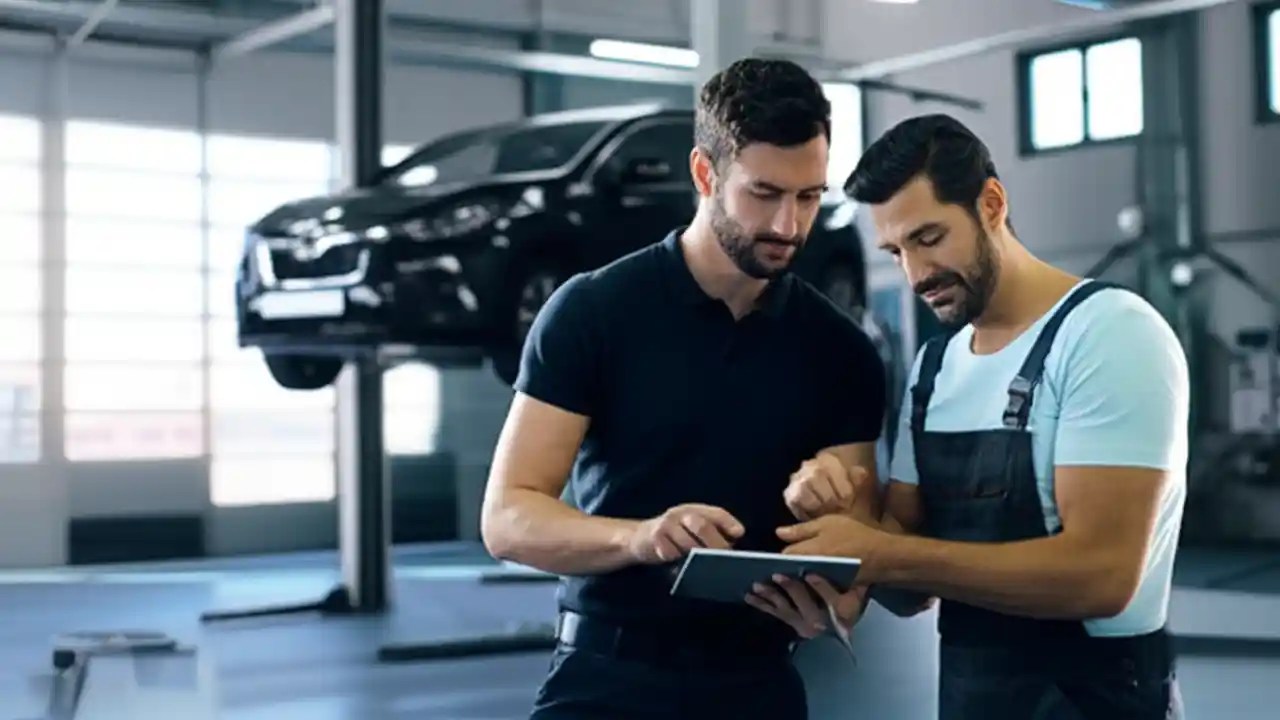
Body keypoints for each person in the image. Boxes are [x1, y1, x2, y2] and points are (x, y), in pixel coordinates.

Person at [479, 57, 888, 720]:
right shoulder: (592, 312)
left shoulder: (841, 351)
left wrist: (833, 599)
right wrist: (639, 538)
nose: (788, 225)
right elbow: (507, 519)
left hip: (759, 686)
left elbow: (854, 567)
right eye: (764, 193)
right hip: (606, 678)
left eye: (808, 197)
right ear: (705, 173)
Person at [772, 114, 1188, 719]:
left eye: (929, 237)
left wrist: (882, 552)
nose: (915, 275)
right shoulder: (934, 368)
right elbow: (908, 592)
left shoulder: (1109, 334)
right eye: (895, 250)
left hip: (1100, 700)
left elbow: (1100, 577)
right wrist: (840, 513)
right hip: (974, 699)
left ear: (991, 204)